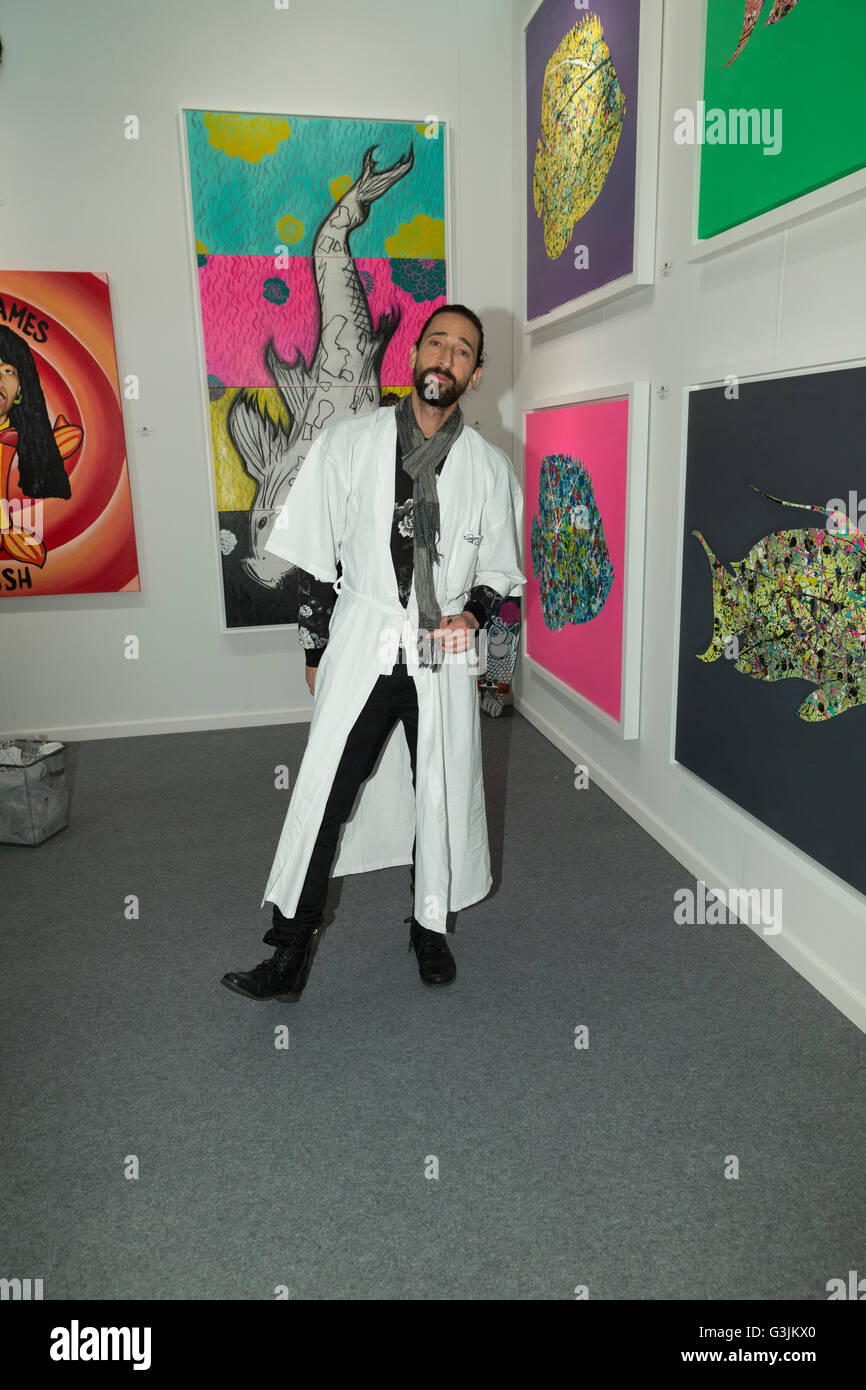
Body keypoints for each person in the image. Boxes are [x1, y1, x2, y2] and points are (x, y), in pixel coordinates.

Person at [221, 305, 525, 1004]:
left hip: (439, 653)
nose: (445, 359)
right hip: (363, 640)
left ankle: (428, 928)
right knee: (325, 793)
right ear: (415, 355)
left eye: (462, 352)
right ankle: (290, 953)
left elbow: (499, 575)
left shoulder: (485, 467)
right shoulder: (350, 443)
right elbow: (310, 555)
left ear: (475, 375)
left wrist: (471, 612)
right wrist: (314, 642)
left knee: (438, 792)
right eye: (437, 344)